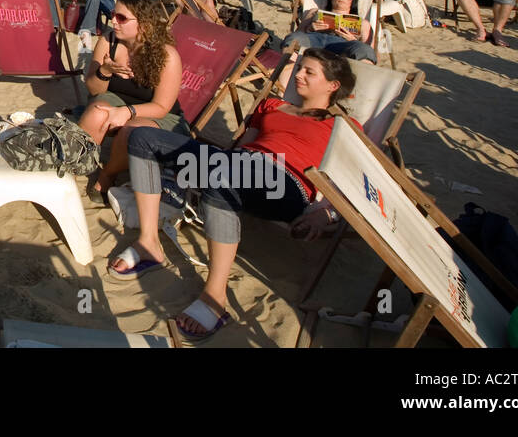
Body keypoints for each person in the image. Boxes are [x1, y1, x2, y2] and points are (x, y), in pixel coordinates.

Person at [111, 49, 356, 340]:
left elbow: (350, 183)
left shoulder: (344, 127)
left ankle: (215, 298)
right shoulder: (272, 106)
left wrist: (325, 214)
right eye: (299, 68)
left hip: (287, 183)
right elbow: (240, 151)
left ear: (333, 86)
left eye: (308, 72)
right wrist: (202, 166)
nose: (298, 75)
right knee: (142, 138)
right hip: (239, 166)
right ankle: (149, 242)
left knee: (224, 178)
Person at [76, 0, 182, 202]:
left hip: (158, 114)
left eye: (122, 18)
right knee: (97, 112)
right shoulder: (109, 40)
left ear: (142, 24)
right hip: (116, 99)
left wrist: (127, 112)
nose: (113, 20)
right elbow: (94, 90)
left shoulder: (167, 55)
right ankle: (76, 165)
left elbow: (161, 106)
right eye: (114, 14)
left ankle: (108, 174)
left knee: (132, 131)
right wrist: (104, 71)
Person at [283, 0, 376, 61]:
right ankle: (287, 70)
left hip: (342, 45)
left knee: (366, 50)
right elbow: (298, 32)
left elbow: (369, 48)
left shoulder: (363, 23)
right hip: (313, 39)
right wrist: (310, 29)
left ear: (353, 0)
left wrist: (352, 40)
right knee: (294, 38)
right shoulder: (314, 12)